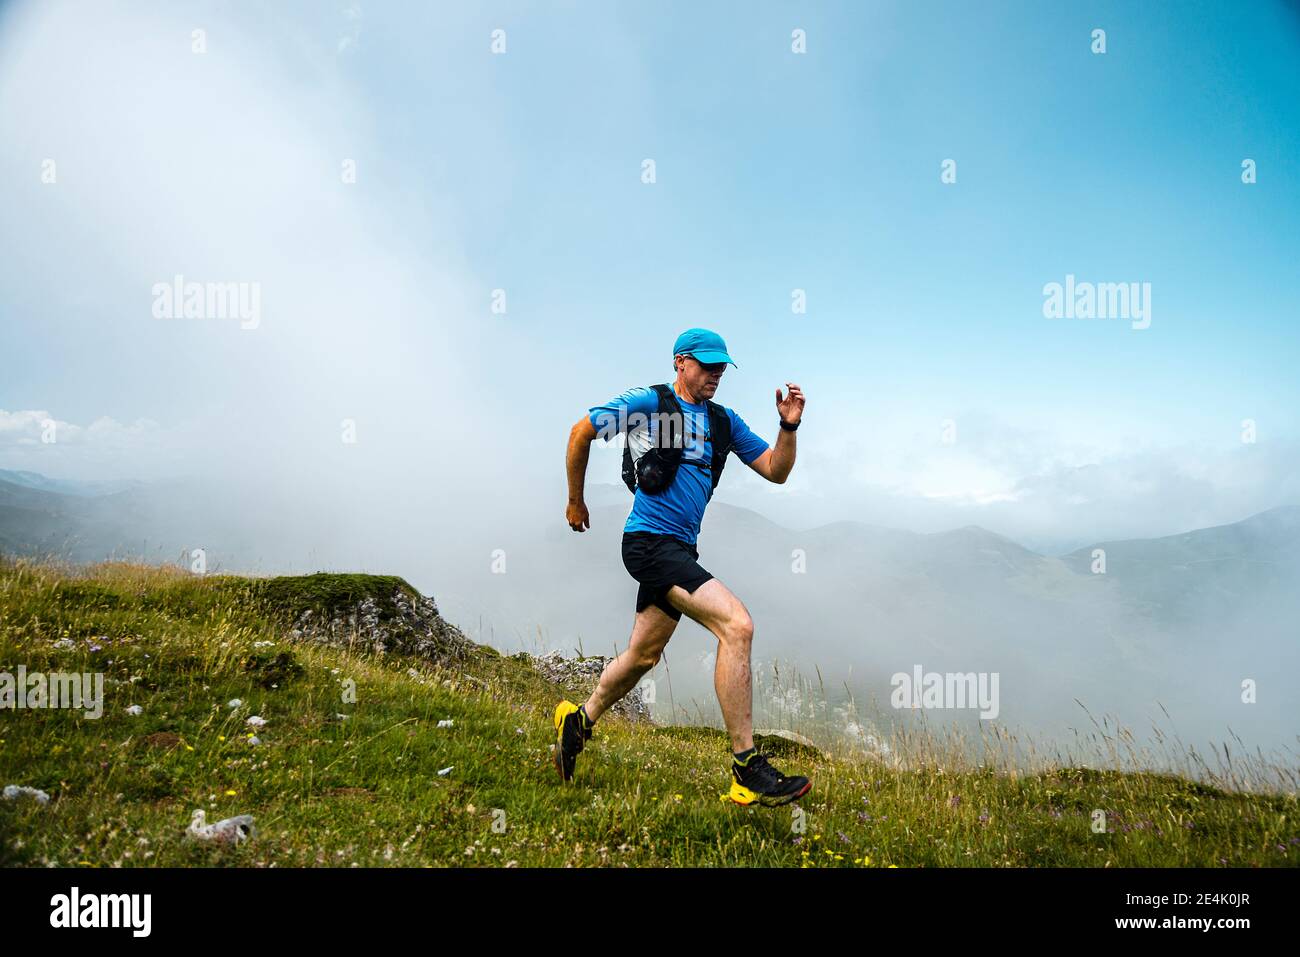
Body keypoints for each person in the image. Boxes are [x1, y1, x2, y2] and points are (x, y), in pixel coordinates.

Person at [557, 327, 811, 806]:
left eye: (721, 366)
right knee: (737, 626)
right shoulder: (648, 403)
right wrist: (576, 502)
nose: (716, 373)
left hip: (680, 551)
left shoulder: (724, 422)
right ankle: (746, 768)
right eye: (707, 364)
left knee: (642, 656)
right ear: (680, 362)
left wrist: (789, 427)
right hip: (648, 543)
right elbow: (580, 432)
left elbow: (776, 470)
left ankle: (579, 720)